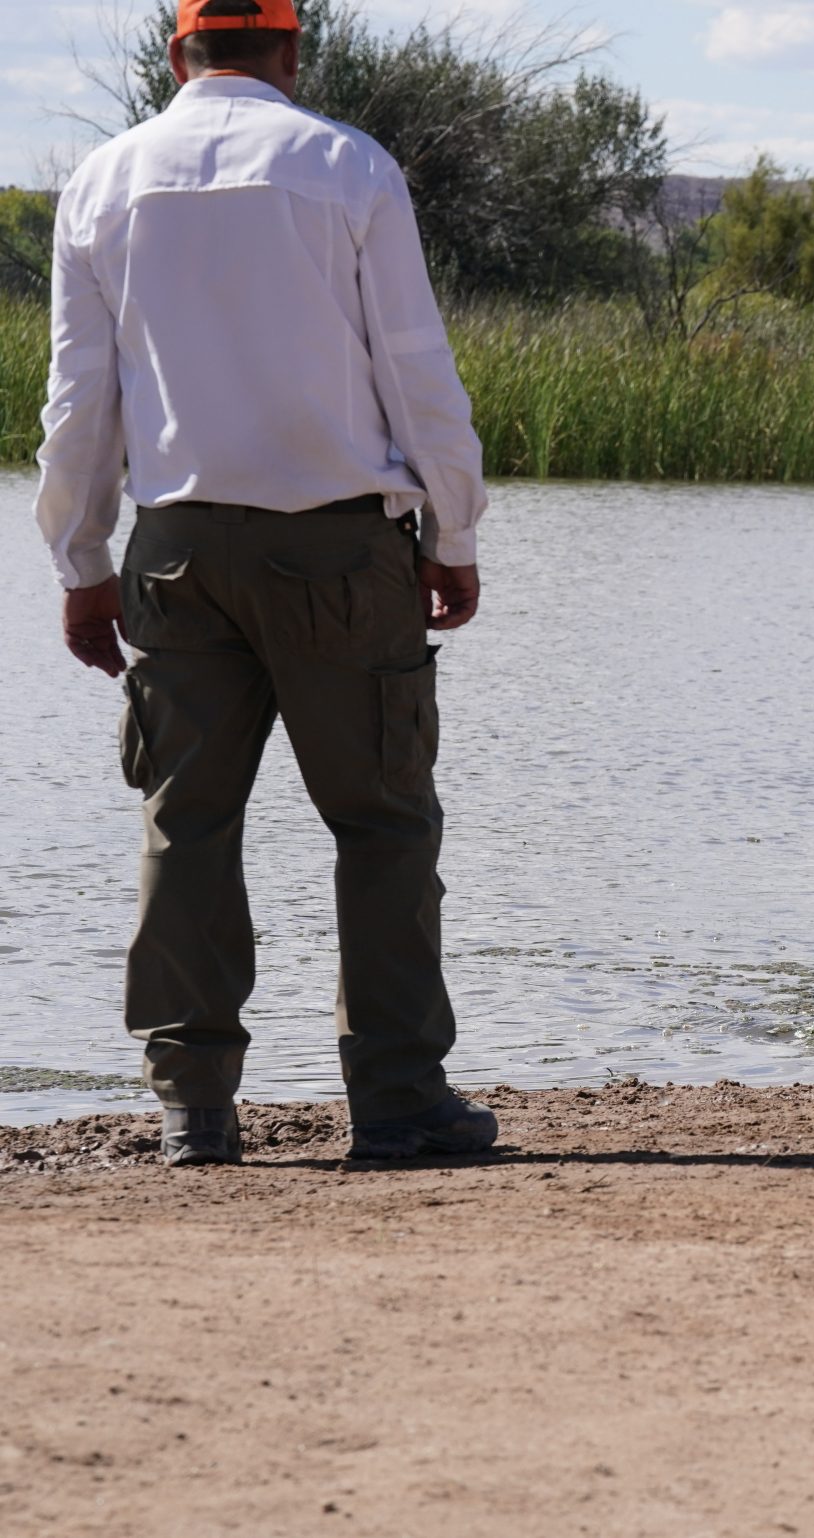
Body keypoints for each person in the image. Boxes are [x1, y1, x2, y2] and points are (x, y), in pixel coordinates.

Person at [34, 0, 498, 1166]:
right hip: (343, 549)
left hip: (177, 548)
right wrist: (455, 526)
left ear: (178, 49)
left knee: (185, 824)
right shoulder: (347, 165)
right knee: (382, 821)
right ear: (291, 49)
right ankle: (397, 1102)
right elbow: (415, 366)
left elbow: (78, 405)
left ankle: (193, 1110)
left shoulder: (101, 180)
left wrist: (79, 562)